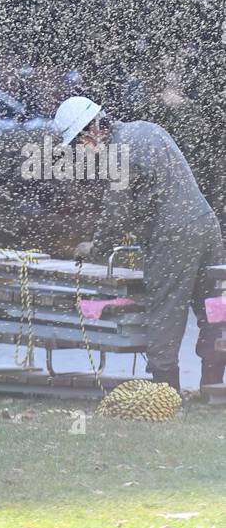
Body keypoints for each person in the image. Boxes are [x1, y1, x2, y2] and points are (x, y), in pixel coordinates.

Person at [56, 95, 226, 392]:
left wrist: (95, 249)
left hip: (174, 235)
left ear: (90, 131)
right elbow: (153, 193)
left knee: (164, 314)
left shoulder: (116, 154)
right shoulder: (147, 128)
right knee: (213, 309)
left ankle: (165, 394)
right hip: (206, 224)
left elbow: (116, 214)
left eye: (77, 144)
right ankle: (212, 389)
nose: (80, 151)